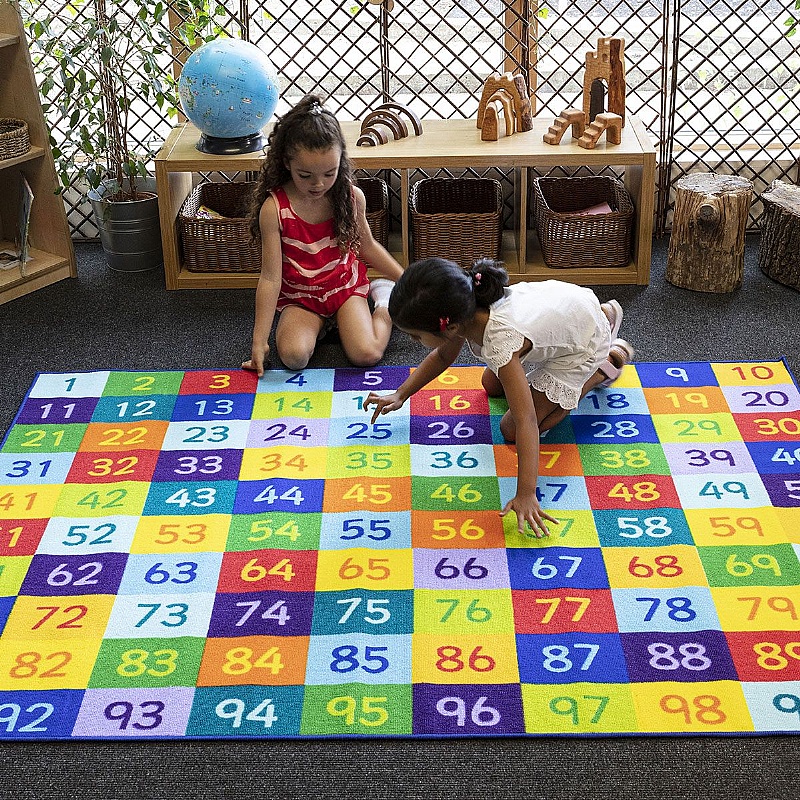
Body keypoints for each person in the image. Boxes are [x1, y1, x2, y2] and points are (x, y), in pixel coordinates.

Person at [363, 257, 634, 538]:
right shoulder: (465, 306)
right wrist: (401, 393)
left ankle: (603, 366)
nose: (414, 343)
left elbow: (526, 418)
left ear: (450, 327)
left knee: (511, 428)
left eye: (417, 337)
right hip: (570, 307)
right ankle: (600, 316)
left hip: (581, 345)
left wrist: (526, 493)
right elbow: (443, 354)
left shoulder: (499, 339)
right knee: (491, 383)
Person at [242, 93, 403, 376]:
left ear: (341, 160)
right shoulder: (275, 209)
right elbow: (270, 278)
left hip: (344, 289)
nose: (319, 184)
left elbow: (367, 246)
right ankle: (323, 325)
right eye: (305, 175)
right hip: (300, 298)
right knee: (294, 357)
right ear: (286, 163)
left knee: (367, 354)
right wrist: (258, 341)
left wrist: (407, 280)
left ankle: (384, 302)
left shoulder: (351, 197)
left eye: (330, 173)